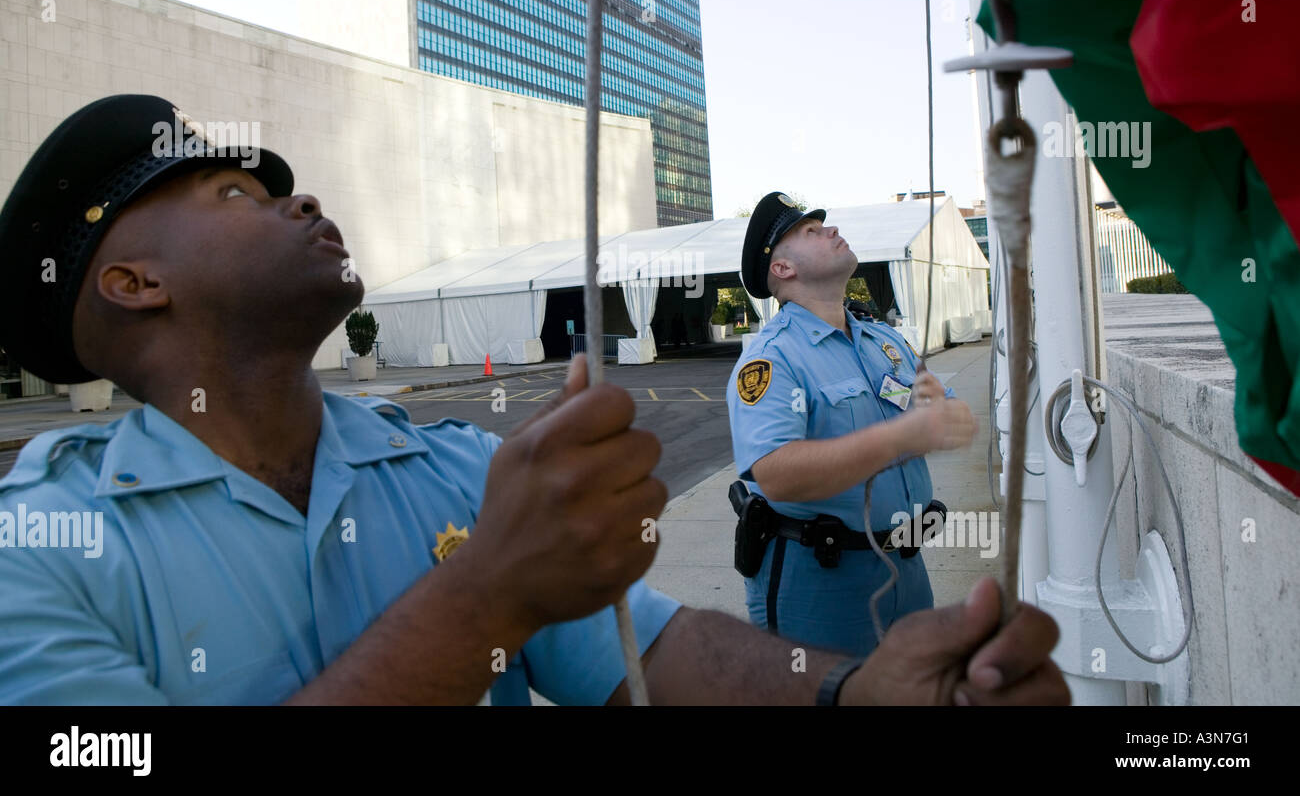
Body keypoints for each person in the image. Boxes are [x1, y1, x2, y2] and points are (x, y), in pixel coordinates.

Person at [0, 97, 1062, 705]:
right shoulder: (38, 550)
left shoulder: (454, 468)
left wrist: (851, 695)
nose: (302, 199)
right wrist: (487, 594)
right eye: (237, 196)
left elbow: (648, 647)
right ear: (135, 283)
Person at [727, 192, 978, 656]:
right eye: (811, 231)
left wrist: (947, 416)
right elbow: (775, 474)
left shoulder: (883, 339)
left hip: (906, 570)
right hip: (819, 584)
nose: (831, 230)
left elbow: (949, 409)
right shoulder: (771, 359)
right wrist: (900, 436)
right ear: (782, 269)